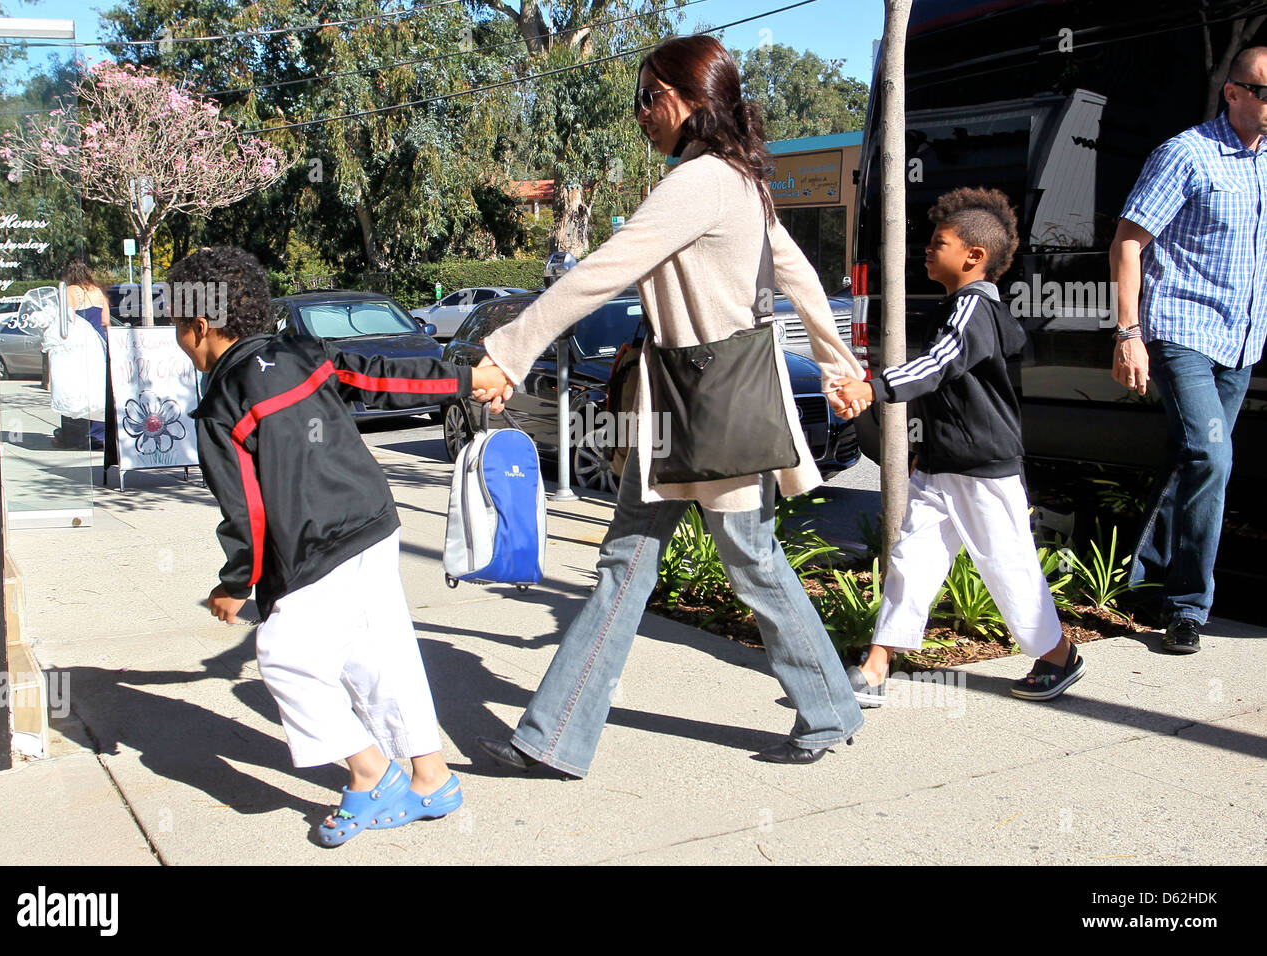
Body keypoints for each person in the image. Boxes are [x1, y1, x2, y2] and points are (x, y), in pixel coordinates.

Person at [474, 35, 865, 778]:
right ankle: (554, 739)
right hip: (680, 406)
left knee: (746, 561)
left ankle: (831, 707)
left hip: (712, 404)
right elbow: (801, 276)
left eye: (649, 98)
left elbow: (602, 273)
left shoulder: (699, 181)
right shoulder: (739, 179)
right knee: (631, 564)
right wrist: (839, 365)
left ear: (690, 99)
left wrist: (508, 352)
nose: (640, 114)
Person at [169, 246, 509, 845]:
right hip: (373, 522)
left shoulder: (221, 407)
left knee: (283, 657)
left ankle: (372, 775)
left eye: (175, 321)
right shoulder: (302, 354)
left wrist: (234, 583)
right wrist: (470, 379)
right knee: (379, 650)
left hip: (312, 548)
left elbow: (245, 513)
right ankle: (432, 777)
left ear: (199, 326)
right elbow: (382, 376)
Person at [831, 187, 1084, 703]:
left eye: (938, 242)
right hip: (942, 465)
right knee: (911, 560)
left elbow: (937, 365)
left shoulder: (971, 311)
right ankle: (878, 665)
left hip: (982, 469)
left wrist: (872, 387)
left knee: (1006, 564)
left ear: (974, 257)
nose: (927, 249)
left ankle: (1059, 655)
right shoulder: (963, 308)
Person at [1109, 46, 1267, 654]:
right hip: (1183, 329)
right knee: (1212, 457)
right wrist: (1129, 334)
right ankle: (1187, 606)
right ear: (1233, 93)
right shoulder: (1187, 154)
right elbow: (1127, 243)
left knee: (1189, 459)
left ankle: (1146, 582)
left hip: (1242, 337)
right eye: (1264, 92)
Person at [50, 259, 111, 450]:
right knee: (97, 387)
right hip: (99, 342)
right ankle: (98, 434)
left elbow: (66, 320)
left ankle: (73, 435)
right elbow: (105, 320)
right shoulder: (99, 293)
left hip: (78, 344)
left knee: (73, 388)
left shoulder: (69, 291)